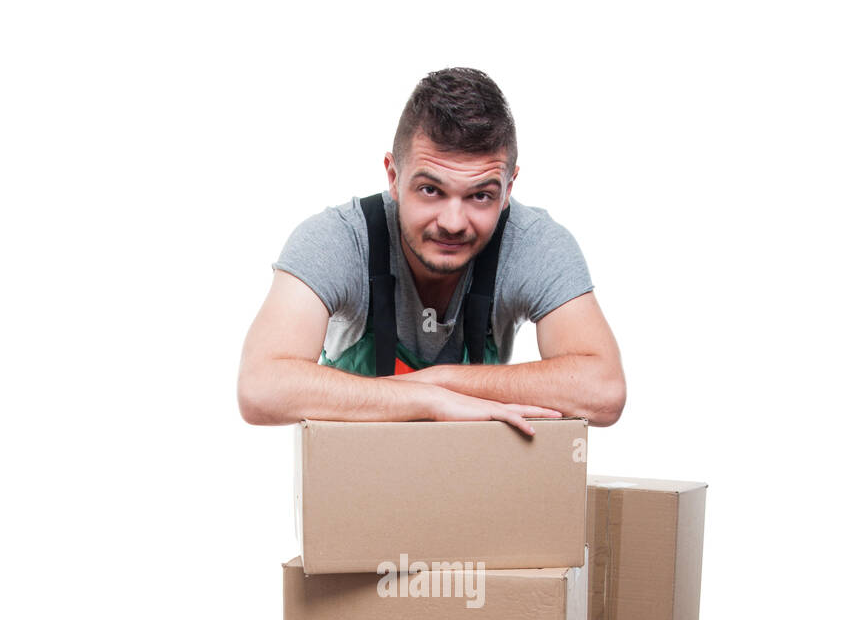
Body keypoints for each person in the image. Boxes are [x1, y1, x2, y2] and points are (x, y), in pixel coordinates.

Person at [238, 67, 625, 437]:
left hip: (473, 488)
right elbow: (260, 387)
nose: (453, 222)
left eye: (480, 195)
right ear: (393, 176)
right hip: (354, 490)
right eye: (431, 190)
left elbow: (603, 391)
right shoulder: (337, 239)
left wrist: (442, 380)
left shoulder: (535, 243)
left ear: (508, 189)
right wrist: (427, 399)